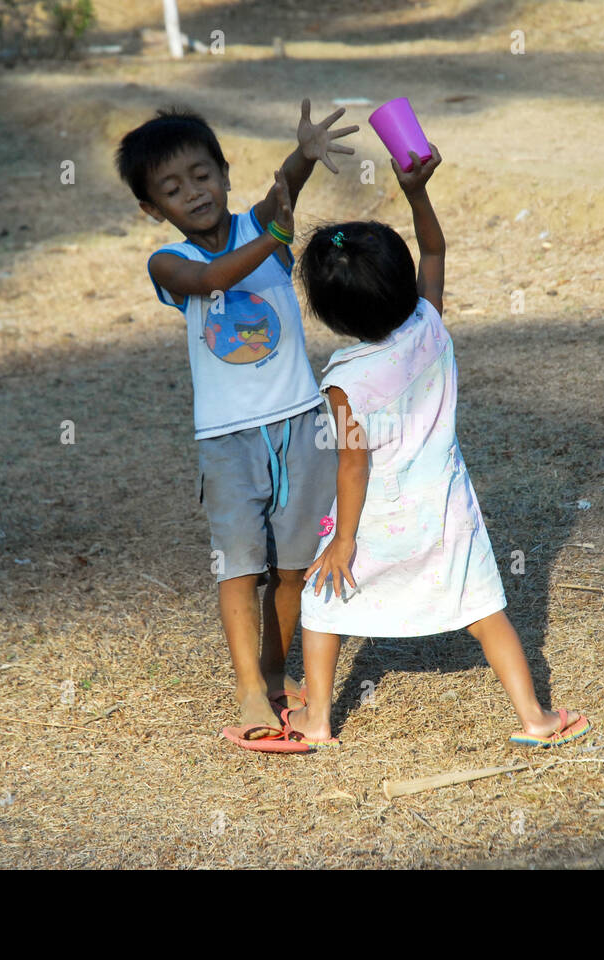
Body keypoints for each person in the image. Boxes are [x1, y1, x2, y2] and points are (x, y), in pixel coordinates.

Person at [283, 144, 590, 750]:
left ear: (332, 317)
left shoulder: (345, 379)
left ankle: (317, 720)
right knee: (483, 609)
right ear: (400, 284)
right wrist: (416, 191)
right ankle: (535, 718)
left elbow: (352, 460)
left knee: (323, 605)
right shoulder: (430, 324)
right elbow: (435, 250)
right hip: (445, 509)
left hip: (373, 520)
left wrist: (342, 540)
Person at [114, 102, 357, 746]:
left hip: (302, 425)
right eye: (170, 188)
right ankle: (250, 692)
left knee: (295, 568)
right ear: (151, 209)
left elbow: (285, 191)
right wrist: (275, 238)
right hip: (228, 439)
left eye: (202, 175)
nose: (192, 192)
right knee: (238, 567)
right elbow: (213, 276)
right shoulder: (167, 262)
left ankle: (278, 677)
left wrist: (303, 156)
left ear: (224, 172)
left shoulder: (261, 226)